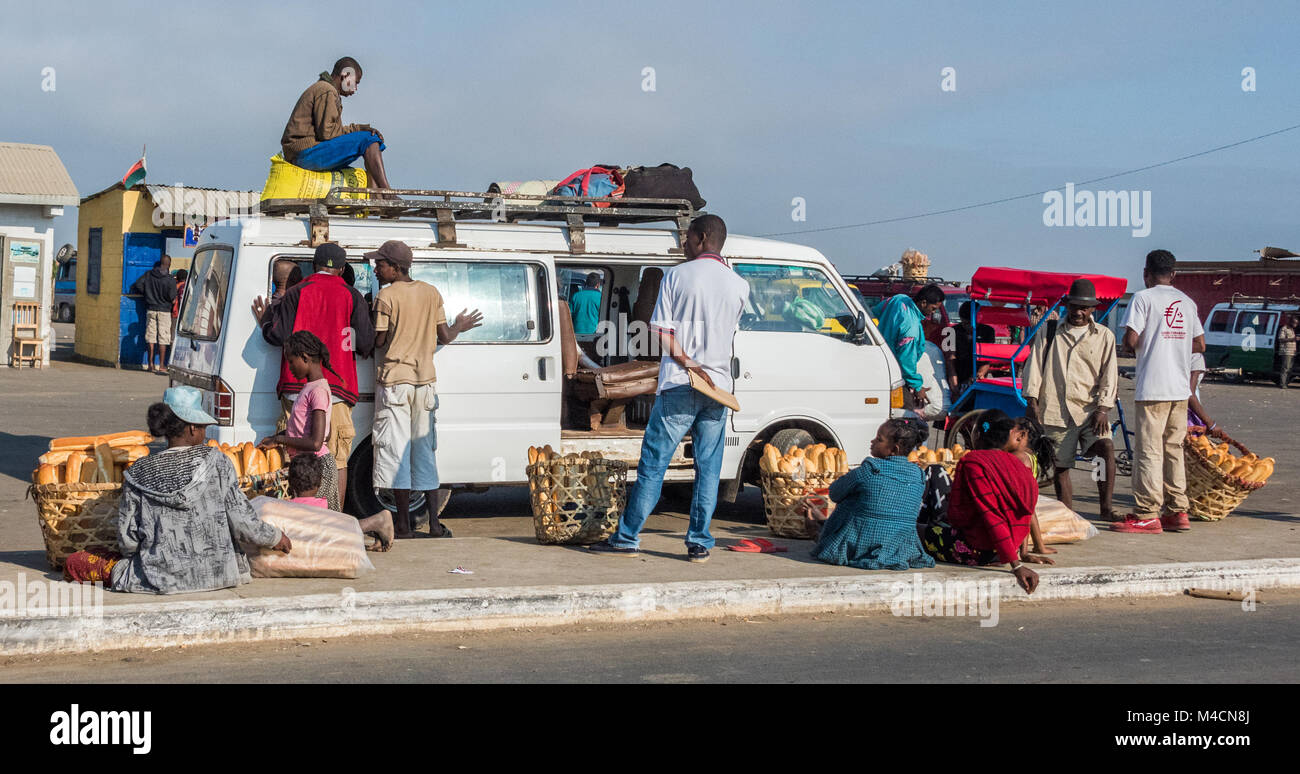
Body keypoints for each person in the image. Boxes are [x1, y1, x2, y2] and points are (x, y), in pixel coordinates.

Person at [589, 214, 749, 563]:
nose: (684, 244)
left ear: (703, 238)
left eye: (688, 238)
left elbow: (662, 332)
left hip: (680, 383)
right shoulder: (739, 285)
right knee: (708, 468)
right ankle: (699, 543)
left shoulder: (678, 275)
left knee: (654, 464)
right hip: (717, 389)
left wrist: (689, 363)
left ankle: (627, 537)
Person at [62, 387, 292, 592]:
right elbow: (242, 521)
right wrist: (274, 537)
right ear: (192, 428)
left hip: (157, 578)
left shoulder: (138, 472)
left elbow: (128, 539)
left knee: (76, 561)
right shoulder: (218, 461)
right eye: (202, 427)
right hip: (219, 574)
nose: (204, 434)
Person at [368, 240, 483, 539]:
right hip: (425, 384)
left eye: (380, 264)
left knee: (395, 453)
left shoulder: (386, 296)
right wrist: (460, 326)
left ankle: (404, 525)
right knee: (424, 452)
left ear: (395, 267)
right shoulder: (431, 292)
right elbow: (444, 335)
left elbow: (378, 342)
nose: (376, 269)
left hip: (394, 383)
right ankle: (434, 524)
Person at [253, 242, 374, 511]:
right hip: (338, 390)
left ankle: (296, 517)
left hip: (295, 388)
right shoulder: (351, 296)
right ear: (342, 269)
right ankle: (336, 519)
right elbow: (366, 343)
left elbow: (278, 336)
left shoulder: (296, 293)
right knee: (338, 459)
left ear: (313, 266)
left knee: (293, 458)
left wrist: (264, 321)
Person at [1112, 250, 1204, 535]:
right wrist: (1172, 345)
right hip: (1179, 390)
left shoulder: (1143, 298)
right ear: (1173, 274)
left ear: (1146, 273)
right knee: (1173, 450)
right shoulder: (1187, 303)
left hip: (1153, 387)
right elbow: (1200, 344)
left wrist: (1149, 346)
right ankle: (1178, 511)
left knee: (1149, 452)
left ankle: (1147, 513)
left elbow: (1130, 340)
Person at [1023, 279, 1119, 521]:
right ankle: (1067, 514)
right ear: (1067, 305)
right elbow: (1034, 365)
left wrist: (1104, 408)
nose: (1078, 312)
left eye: (1083, 308)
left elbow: (1109, 374)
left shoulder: (1104, 336)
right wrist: (1031, 400)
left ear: (1092, 309)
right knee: (1061, 465)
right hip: (1055, 408)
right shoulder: (1050, 329)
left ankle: (1105, 508)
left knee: (1105, 448)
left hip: (1091, 410)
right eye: (1074, 306)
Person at [919, 412, 1046, 594]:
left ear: (977, 434)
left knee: (911, 529)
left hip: (975, 549)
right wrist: (1019, 553)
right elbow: (1023, 514)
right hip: (1001, 550)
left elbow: (992, 516)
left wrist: (1016, 566)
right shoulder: (1021, 465)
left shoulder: (974, 463)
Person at [804, 419, 936, 571]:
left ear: (894, 449)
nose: (873, 441)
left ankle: (823, 534)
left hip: (862, 542)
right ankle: (823, 524)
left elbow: (834, 493)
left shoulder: (870, 470)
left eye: (879, 439)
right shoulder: (918, 474)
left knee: (851, 497)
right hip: (899, 546)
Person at [280, 56, 395, 197]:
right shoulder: (326, 90)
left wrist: (360, 129)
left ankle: (376, 196)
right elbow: (328, 134)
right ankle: (387, 194)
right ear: (345, 75)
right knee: (368, 139)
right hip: (304, 153)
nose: (355, 88)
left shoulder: (326, 90)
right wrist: (359, 130)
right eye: (355, 83)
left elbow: (330, 131)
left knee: (372, 139)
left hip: (305, 152)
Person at [259, 331, 341, 512]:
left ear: (304, 358)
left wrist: (281, 440)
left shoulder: (318, 391)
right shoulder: (310, 388)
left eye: (291, 361)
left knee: (323, 524)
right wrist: (276, 437)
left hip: (317, 470)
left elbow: (316, 441)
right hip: (308, 468)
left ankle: (377, 522)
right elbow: (304, 430)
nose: (289, 367)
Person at [286, 452, 394, 547]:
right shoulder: (322, 503)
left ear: (290, 483)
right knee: (341, 527)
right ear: (320, 484)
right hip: (327, 536)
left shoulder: (287, 507)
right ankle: (377, 521)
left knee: (338, 529)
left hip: (323, 539)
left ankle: (378, 521)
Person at [877, 283, 947, 409]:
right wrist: (917, 387)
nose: (933, 313)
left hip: (878, 364)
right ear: (923, 303)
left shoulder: (899, 299)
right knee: (905, 417)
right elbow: (906, 360)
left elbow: (874, 312)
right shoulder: (911, 328)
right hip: (894, 374)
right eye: (933, 308)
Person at [130, 255, 178, 374]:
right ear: (169, 264)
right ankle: (161, 365)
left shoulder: (148, 274)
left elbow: (137, 284)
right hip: (164, 311)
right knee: (163, 338)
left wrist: (147, 294)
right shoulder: (170, 279)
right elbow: (172, 298)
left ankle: (150, 364)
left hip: (151, 309)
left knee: (151, 337)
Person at [947, 300, 994, 399]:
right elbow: (950, 360)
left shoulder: (988, 331)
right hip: (958, 372)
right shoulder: (951, 332)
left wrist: (979, 374)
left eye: (969, 323)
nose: (967, 327)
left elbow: (987, 359)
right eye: (964, 323)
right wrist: (954, 386)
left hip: (977, 374)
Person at [1277, 315, 1296, 389]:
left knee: (1290, 369)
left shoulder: (1292, 329)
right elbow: (1281, 339)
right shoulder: (1284, 329)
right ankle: (1282, 384)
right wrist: (1292, 339)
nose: (1296, 325)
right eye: (1294, 323)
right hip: (1286, 351)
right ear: (1290, 322)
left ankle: (1286, 383)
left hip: (1292, 352)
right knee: (1285, 368)